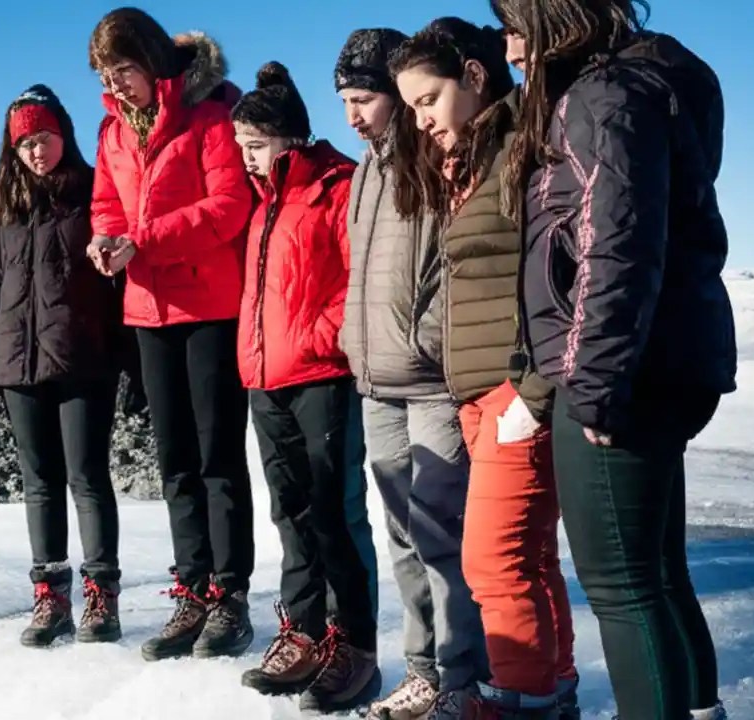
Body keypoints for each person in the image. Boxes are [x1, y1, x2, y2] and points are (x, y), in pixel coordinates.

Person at [491, 1, 735, 719]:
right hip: (654, 360)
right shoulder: (644, 85)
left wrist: (595, 383)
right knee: (657, 575)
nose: (509, 49)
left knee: (623, 588)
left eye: (515, 26)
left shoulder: (604, 97)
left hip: (616, 368)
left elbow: (617, 245)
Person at [391, 17, 578, 719]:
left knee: (493, 561)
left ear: (473, 75)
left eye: (427, 100)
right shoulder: (472, 158)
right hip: (478, 392)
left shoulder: (522, 143)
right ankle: (552, 692)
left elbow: (556, 267)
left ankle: (519, 702)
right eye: (411, 107)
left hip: (512, 388)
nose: (421, 120)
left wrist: (531, 390)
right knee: (528, 559)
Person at [87, 6, 255, 662]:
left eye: (123, 69)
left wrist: (143, 240)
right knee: (175, 461)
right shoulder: (112, 132)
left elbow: (229, 206)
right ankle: (192, 590)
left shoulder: (208, 117)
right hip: (147, 313)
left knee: (217, 459)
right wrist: (105, 241)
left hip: (209, 307)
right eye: (105, 75)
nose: (116, 84)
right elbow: (107, 204)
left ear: (152, 61)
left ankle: (230, 596)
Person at [333, 28, 488, 720]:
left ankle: (463, 678)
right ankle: (424, 671)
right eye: (345, 101)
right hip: (376, 381)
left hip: (430, 381)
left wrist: (428, 342)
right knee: (401, 536)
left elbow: (458, 262)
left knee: (440, 534)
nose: (352, 115)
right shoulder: (364, 171)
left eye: (363, 99)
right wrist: (355, 343)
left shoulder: (436, 154)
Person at [229, 60, 381, 712]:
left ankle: (356, 646)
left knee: (334, 513)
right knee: (289, 511)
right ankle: (304, 632)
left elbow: (359, 278)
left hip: (322, 375)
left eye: (256, 144)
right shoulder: (265, 202)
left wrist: (318, 336)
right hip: (267, 379)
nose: (246, 157)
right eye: (241, 146)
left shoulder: (336, 185)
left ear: (290, 138)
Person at [0, 84, 126, 648]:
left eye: (45, 138)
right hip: (16, 366)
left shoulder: (95, 195)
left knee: (88, 477)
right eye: (26, 143)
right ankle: (51, 600)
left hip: (84, 362)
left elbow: (120, 285)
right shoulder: (2, 212)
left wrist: (129, 360)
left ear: (64, 136)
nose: (37, 151)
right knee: (39, 484)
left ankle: (101, 598)